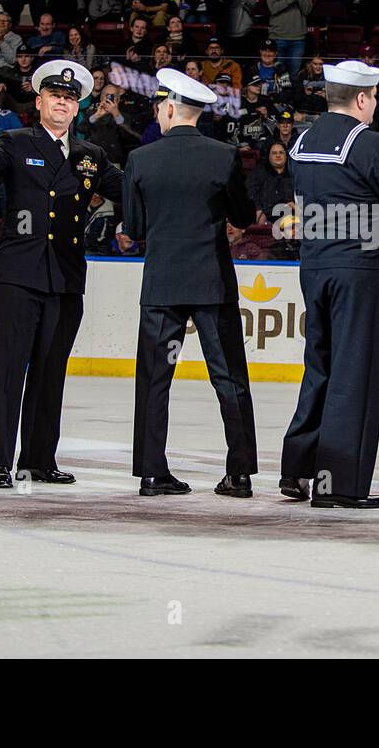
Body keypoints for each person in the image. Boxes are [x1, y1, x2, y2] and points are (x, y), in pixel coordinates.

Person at [0, 59, 122, 489]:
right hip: (17, 275)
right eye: (55, 96)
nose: (62, 103)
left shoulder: (91, 156)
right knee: (7, 370)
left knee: (51, 373)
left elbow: (134, 187)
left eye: (69, 98)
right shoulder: (14, 140)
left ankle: (39, 460)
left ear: (77, 106)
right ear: (40, 100)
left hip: (65, 279)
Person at [279, 60, 379, 508]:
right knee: (357, 374)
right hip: (360, 272)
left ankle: (298, 468)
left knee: (321, 366)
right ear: (363, 98)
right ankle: (340, 484)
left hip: (315, 266)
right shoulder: (370, 144)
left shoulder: (303, 140)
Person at [121, 68, 258, 498]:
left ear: (167, 108)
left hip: (162, 284)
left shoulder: (140, 159)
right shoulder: (224, 155)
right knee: (229, 378)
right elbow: (243, 216)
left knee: (154, 379)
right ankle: (238, 474)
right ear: (195, 113)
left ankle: (150, 473)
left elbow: (136, 225)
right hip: (211, 283)